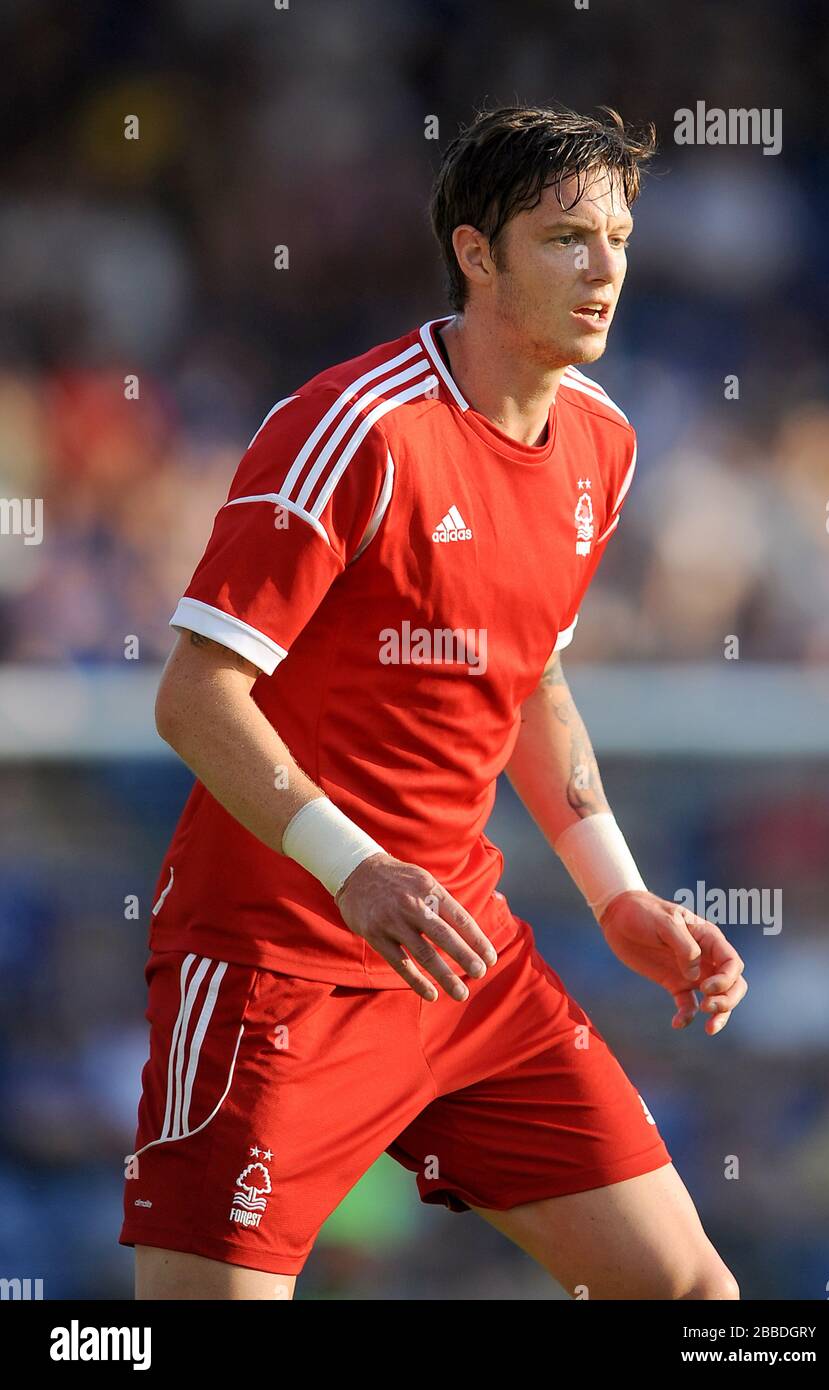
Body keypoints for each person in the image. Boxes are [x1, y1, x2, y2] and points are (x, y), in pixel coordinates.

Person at [120, 104, 747, 1300]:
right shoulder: (352, 430)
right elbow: (196, 697)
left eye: (617, 237)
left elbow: (525, 675)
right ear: (476, 252)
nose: (603, 268)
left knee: (690, 1297)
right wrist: (353, 867)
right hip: (278, 968)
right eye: (565, 237)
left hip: (461, 963)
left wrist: (613, 895)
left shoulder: (601, 444)